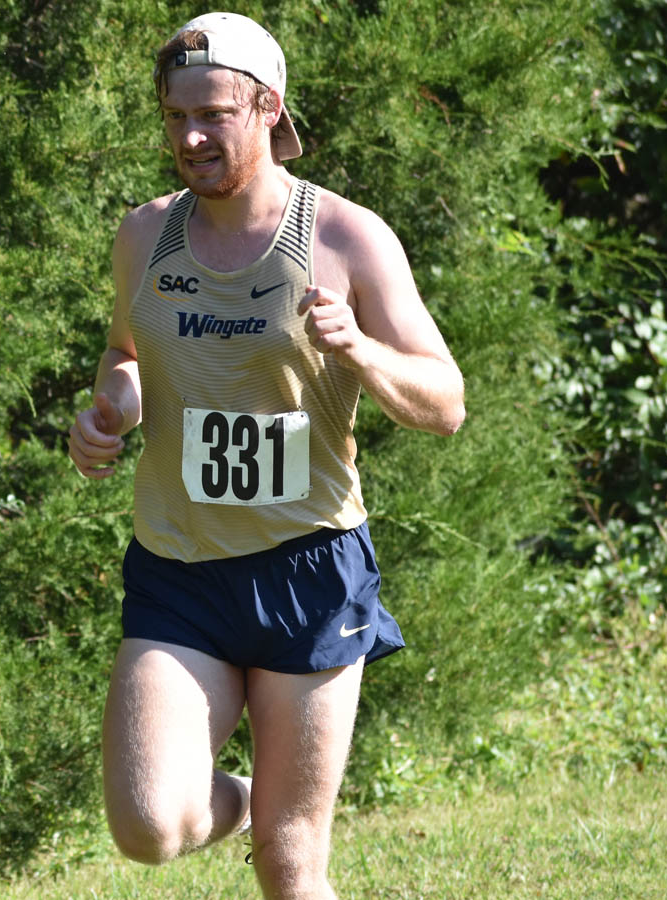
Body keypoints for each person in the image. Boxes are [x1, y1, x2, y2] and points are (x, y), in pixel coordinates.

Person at [67, 12, 465, 900]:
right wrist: (114, 408)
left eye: (213, 114)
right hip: (178, 571)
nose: (192, 138)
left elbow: (445, 404)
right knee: (147, 824)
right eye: (175, 118)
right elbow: (126, 353)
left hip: (307, 568)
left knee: (292, 869)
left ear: (267, 107)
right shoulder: (146, 235)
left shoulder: (345, 237)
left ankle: (287, 819)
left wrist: (360, 350)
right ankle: (258, 801)